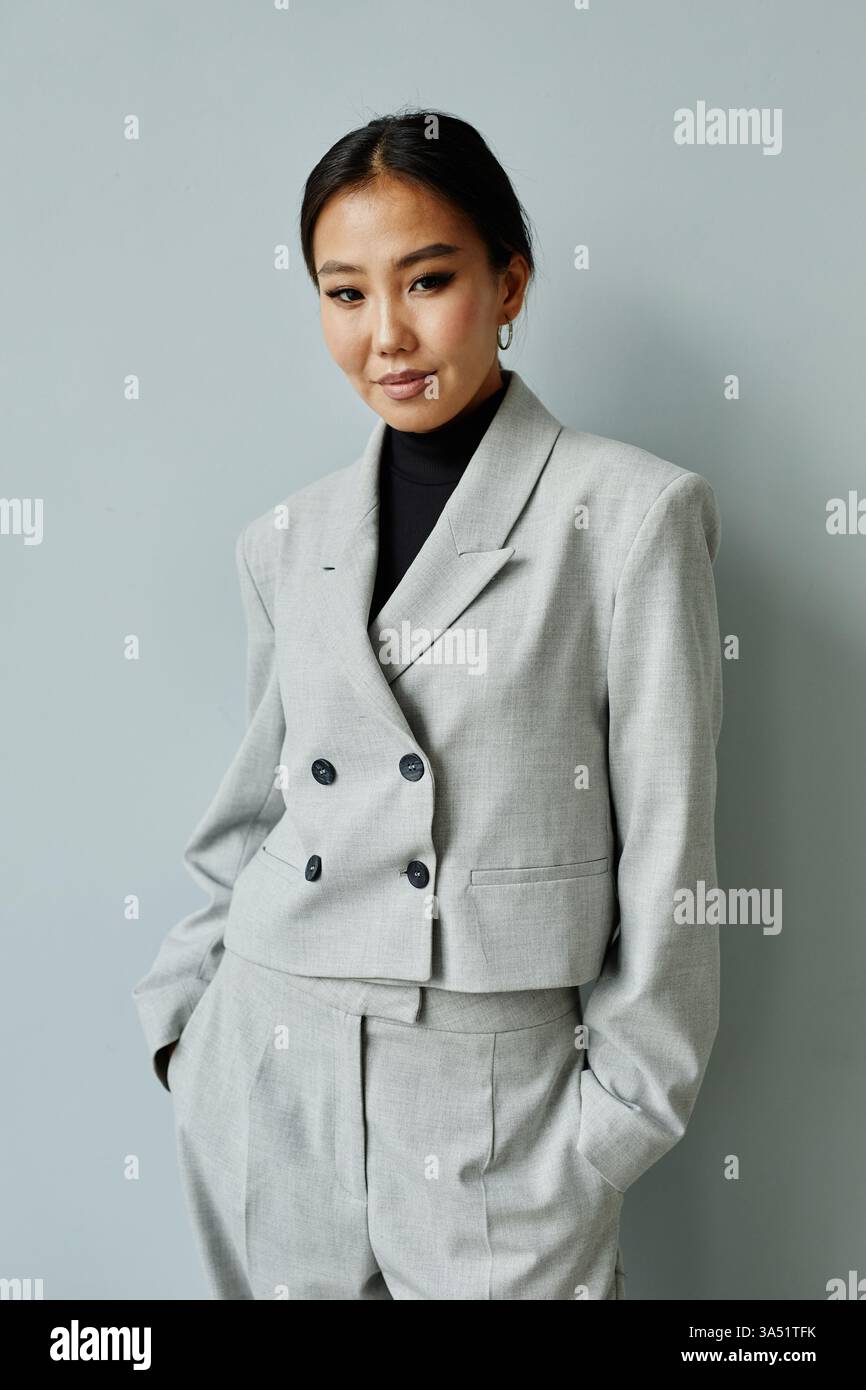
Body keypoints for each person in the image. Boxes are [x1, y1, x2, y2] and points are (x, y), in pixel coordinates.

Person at [132, 108, 723, 1301]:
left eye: (428, 280)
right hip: (270, 1063)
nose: (385, 336)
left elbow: (669, 854)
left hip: (496, 1093)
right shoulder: (284, 540)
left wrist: (609, 1127)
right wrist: (185, 1034)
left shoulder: (628, 516)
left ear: (509, 283)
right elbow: (254, 810)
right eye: (343, 293)